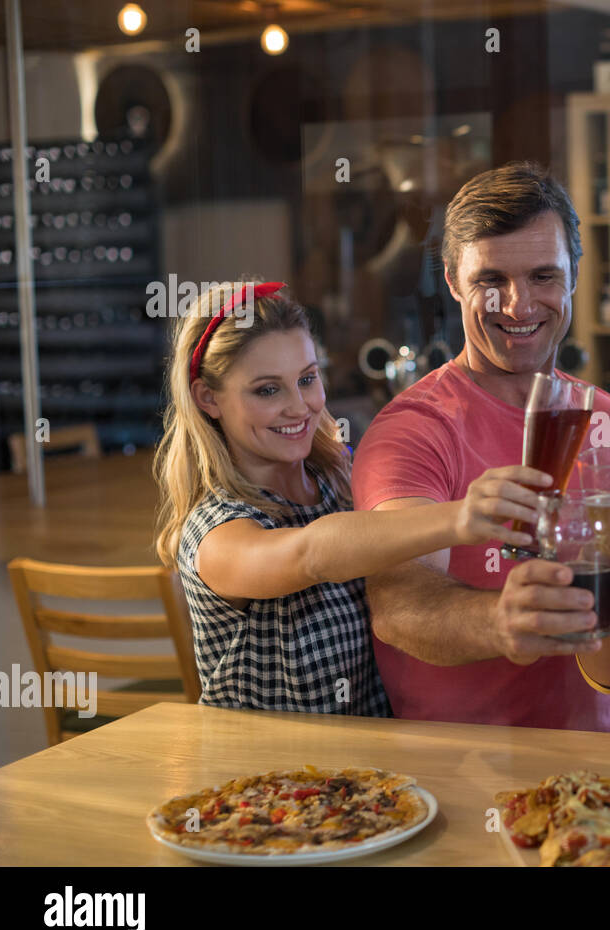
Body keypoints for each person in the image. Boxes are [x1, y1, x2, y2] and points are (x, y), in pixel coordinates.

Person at [155, 281, 553, 715]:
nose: (299, 406)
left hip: (366, 773)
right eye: (268, 390)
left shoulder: (341, 482)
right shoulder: (214, 530)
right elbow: (312, 553)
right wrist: (460, 518)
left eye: (307, 379)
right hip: (263, 776)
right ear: (208, 398)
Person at [351, 162, 610, 731]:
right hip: (464, 779)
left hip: (606, 776)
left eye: (544, 276)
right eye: (491, 281)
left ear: (574, 277)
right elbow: (401, 605)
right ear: (452, 280)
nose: (518, 306)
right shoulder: (412, 429)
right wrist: (502, 622)